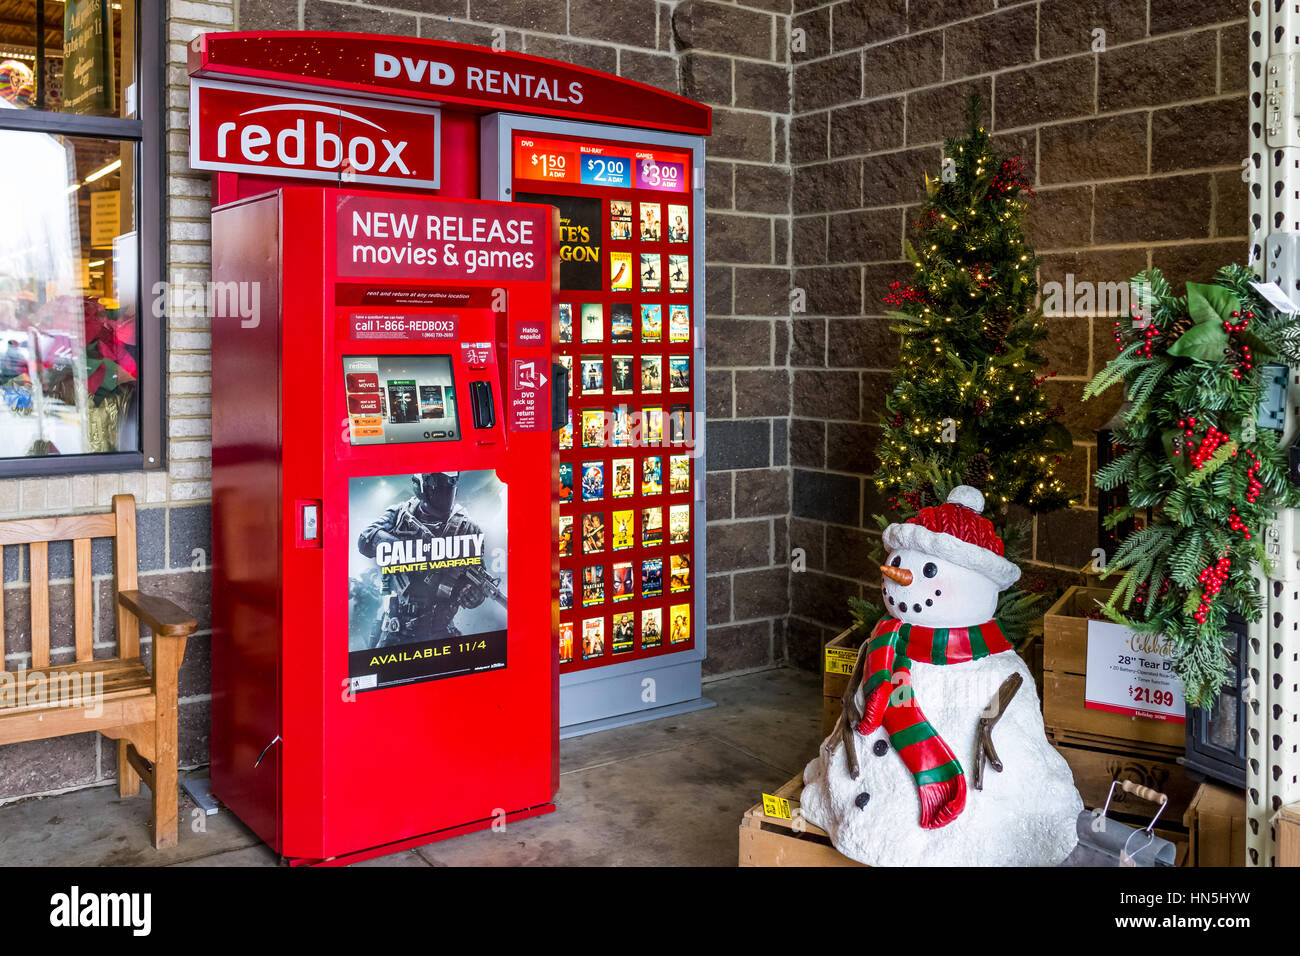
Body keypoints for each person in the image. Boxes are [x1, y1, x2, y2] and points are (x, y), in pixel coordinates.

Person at [356, 473, 493, 648]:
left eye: (449, 486)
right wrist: (409, 551)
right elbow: (365, 539)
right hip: (397, 629)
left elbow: (477, 577)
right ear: (422, 487)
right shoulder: (400, 513)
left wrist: (473, 595)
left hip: (440, 630)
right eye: (439, 486)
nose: (445, 493)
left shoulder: (467, 528)